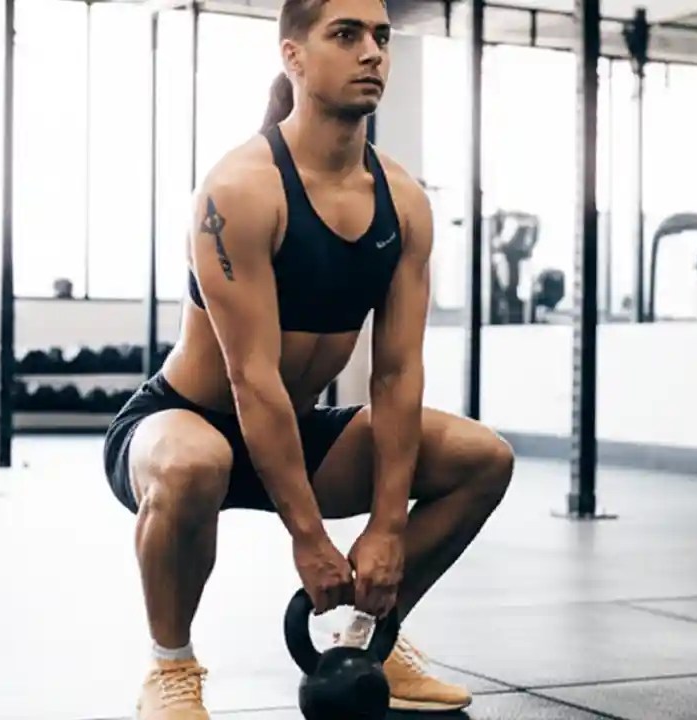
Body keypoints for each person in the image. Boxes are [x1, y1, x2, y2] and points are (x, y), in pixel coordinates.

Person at [102, 0, 514, 716]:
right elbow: (251, 376)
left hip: (294, 428)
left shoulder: (403, 202)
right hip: (186, 420)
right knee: (195, 462)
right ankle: (170, 667)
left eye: (381, 36)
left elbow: (397, 373)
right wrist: (310, 539)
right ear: (292, 56)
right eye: (345, 35)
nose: (372, 53)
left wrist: (387, 527)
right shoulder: (241, 190)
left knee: (482, 458)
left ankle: (373, 639)